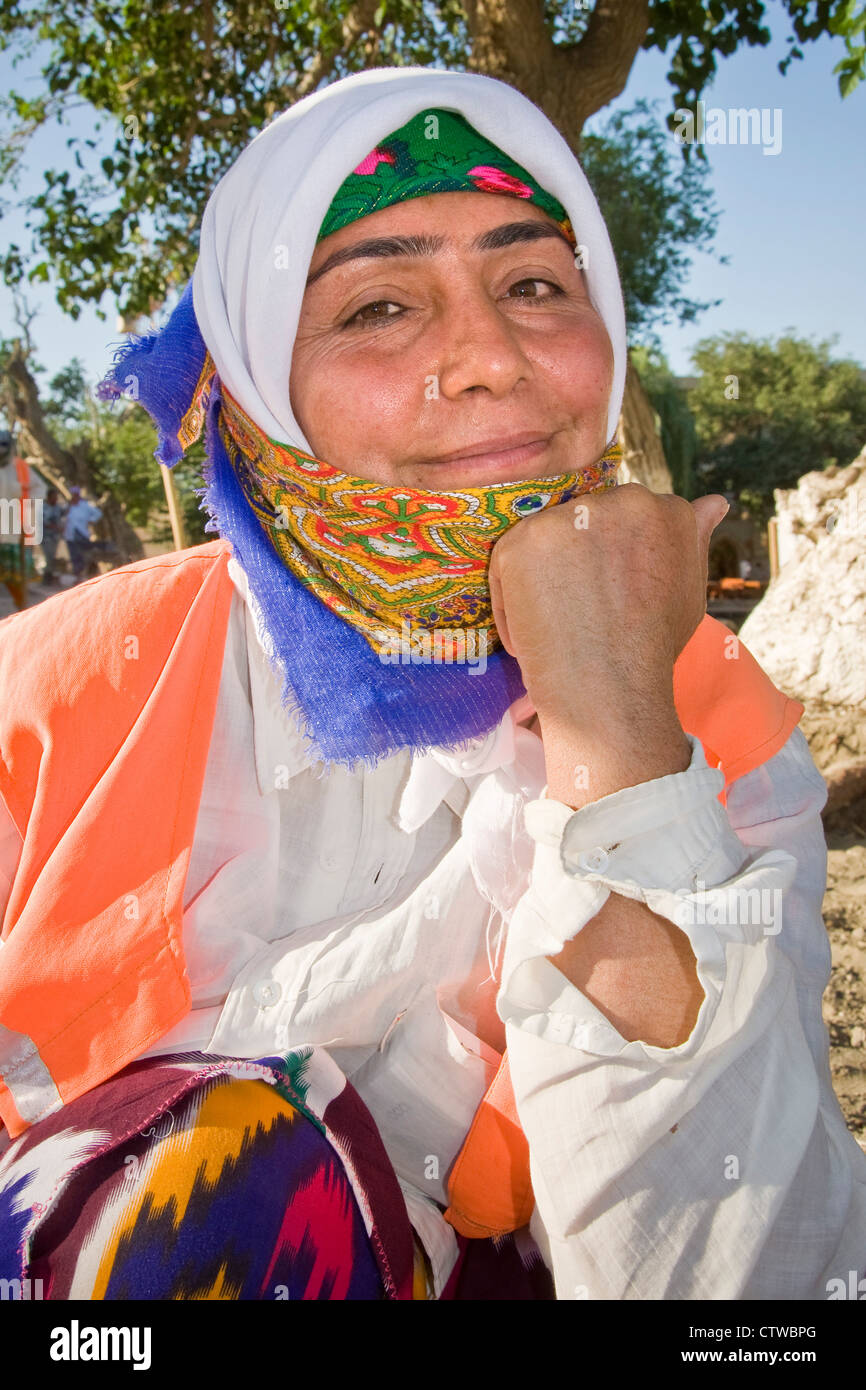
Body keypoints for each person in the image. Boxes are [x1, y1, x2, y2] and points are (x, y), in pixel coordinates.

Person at [0, 67, 864, 1302]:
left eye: (530, 284)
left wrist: (618, 747)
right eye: (376, 307)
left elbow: (733, 1289)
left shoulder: (709, 722)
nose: (488, 359)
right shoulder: (52, 694)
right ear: (246, 382)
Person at [62, 484, 102, 582]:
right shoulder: (68, 506)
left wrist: (91, 520)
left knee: (84, 555)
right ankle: (78, 576)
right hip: (70, 535)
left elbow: (98, 513)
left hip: (82, 534)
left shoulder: (85, 506)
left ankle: (88, 574)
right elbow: (62, 518)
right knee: (74, 556)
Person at [39, 487, 64, 584]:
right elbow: (44, 522)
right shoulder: (43, 507)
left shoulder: (58, 508)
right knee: (49, 557)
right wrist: (56, 527)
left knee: (52, 557)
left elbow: (63, 515)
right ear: (49, 497)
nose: (56, 499)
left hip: (55, 537)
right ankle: (47, 577)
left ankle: (49, 577)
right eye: (54, 497)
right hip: (45, 537)